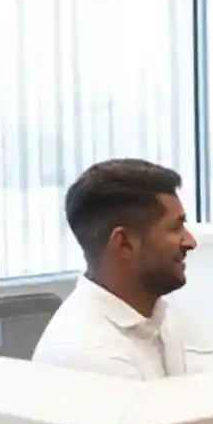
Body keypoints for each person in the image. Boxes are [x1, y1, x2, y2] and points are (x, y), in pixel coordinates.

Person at [32, 158, 199, 379]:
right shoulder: (93, 356)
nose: (190, 241)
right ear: (124, 244)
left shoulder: (159, 319)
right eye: (175, 228)